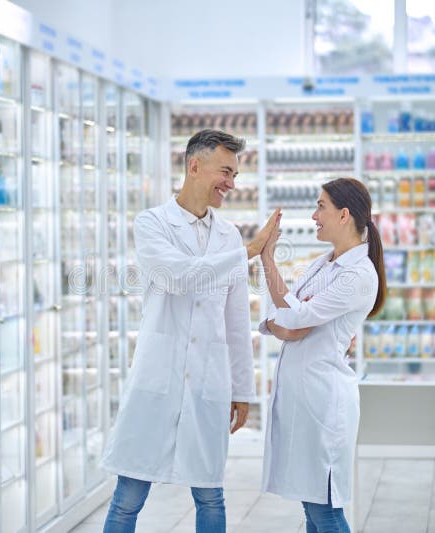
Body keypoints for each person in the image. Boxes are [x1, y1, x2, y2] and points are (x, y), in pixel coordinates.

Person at [101, 129, 281, 533]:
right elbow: (178, 277)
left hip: (207, 380)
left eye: (235, 175)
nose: (231, 184)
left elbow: (236, 321)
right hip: (157, 377)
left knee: (210, 493)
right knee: (129, 494)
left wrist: (242, 390)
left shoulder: (228, 235)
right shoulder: (152, 224)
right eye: (225, 172)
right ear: (194, 166)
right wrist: (246, 253)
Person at [258, 178, 386, 533]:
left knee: (324, 511)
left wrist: (289, 317)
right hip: (305, 399)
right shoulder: (324, 263)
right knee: (312, 507)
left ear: (343, 215)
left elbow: (293, 318)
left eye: (321, 207)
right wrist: (268, 260)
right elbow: (284, 315)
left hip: (322, 403)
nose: (314, 215)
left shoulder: (359, 275)